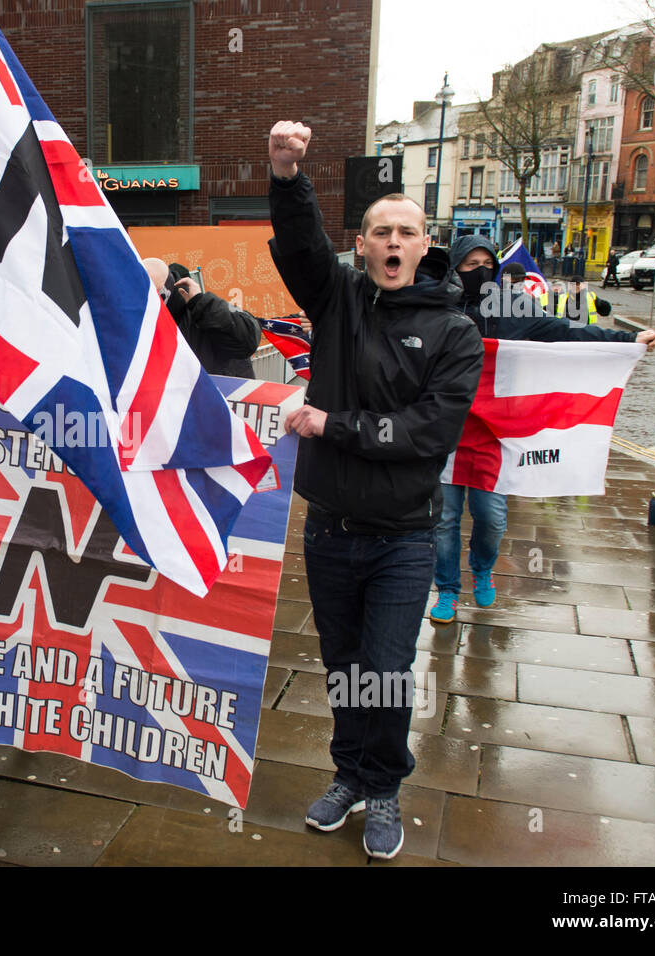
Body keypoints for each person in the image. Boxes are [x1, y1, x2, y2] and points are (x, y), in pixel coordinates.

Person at [267, 121, 484, 860]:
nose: (393, 243)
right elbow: (298, 249)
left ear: (426, 245)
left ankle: (384, 786)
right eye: (379, 232)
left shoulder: (456, 331)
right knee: (345, 667)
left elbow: (428, 433)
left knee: (386, 672)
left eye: (407, 233)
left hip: (403, 538)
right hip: (330, 531)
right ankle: (348, 775)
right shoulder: (338, 300)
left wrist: (333, 426)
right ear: (361, 245)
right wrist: (289, 178)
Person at [430, 236, 655, 624]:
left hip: (497, 433)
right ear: (455, 267)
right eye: (470, 265)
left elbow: (565, 334)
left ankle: (483, 569)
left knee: (491, 518)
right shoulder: (439, 305)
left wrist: (625, 340)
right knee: (444, 520)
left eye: (487, 263)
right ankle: (448, 590)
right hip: (448, 429)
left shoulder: (514, 306)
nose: (480, 270)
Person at [141, 257, 261, 377]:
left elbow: (249, 338)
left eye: (153, 295)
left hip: (225, 392)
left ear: (166, 290)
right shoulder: (145, 323)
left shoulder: (203, 310)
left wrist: (202, 303)